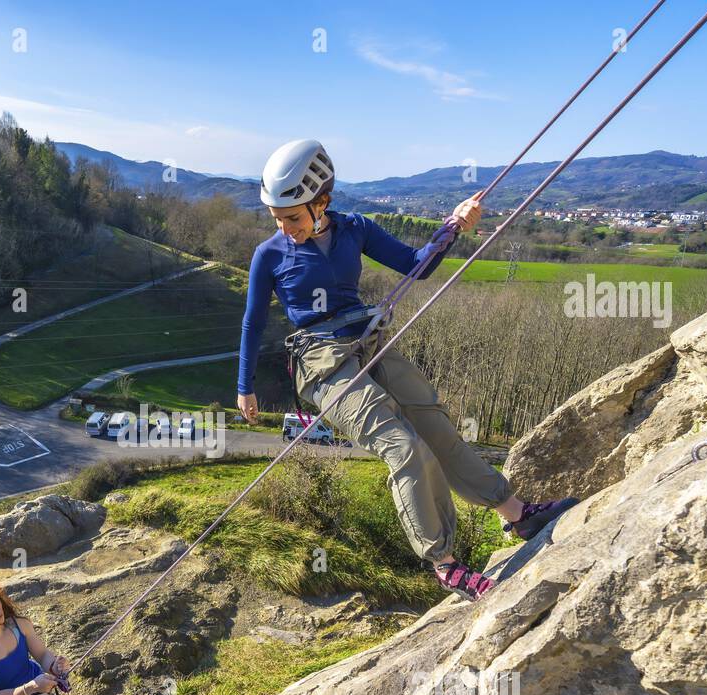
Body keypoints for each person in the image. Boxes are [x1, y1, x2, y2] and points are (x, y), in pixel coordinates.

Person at [236, 139, 577, 601]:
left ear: (322, 202)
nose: (285, 227)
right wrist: (245, 386)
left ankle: (518, 514)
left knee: (435, 426)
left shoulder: (356, 228)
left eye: (293, 217)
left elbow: (417, 268)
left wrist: (453, 227)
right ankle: (445, 564)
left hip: (367, 340)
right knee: (403, 446)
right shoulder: (269, 255)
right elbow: (254, 320)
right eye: (278, 219)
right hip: (321, 363)